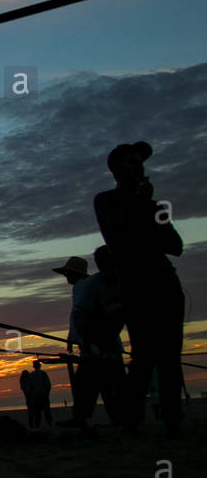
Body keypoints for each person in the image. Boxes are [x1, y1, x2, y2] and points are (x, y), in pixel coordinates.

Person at [94, 141, 186, 438]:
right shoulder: (106, 200)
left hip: (166, 284)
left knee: (170, 357)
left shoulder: (153, 205)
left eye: (140, 162)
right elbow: (119, 239)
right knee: (144, 356)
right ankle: (132, 422)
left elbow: (176, 245)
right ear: (117, 168)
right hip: (138, 287)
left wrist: (147, 210)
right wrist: (144, 211)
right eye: (132, 162)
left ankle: (173, 421)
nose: (139, 167)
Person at [64, 247, 125, 429]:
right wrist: (72, 337)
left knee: (89, 382)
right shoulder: (84, 286)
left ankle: (82, 418)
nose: (66, 276)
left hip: (96, 342)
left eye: (68, 272)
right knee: (104, 383)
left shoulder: (86, 286)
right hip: (93, 342)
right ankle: (116, 418)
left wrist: (88, 342)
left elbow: (86, 315)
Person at [26, 360, 53, 428]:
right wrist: (47, 393)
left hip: (38, 396)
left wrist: (33, 393)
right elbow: (48, 385)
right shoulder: (42, 373)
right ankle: (49, 425)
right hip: (41, 395)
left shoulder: (32, 375)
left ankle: (39, 426)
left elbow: (29, 387)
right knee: (45, 412)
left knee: (38, 413)